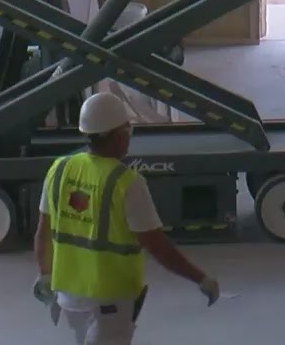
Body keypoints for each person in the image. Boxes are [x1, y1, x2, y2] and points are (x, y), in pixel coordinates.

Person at [34, 92, 220, 345]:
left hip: (68, 296)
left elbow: (43, 233)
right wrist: (201, 278)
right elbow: (158, 247)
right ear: (119, 134)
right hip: (110, 299)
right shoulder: (127, 183)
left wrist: (45, 274)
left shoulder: (59, 169)